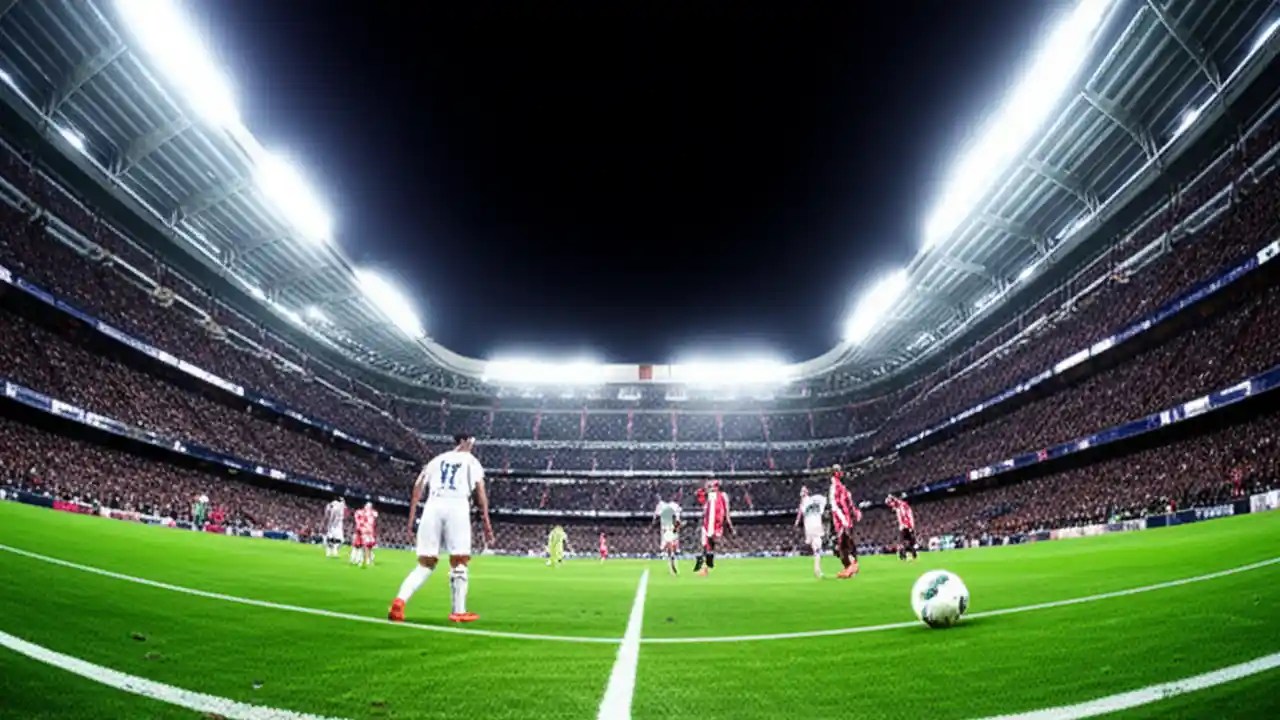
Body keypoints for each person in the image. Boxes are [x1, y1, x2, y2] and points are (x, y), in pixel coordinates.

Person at [389, 433, 494, 623]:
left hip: (432, 506)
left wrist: (411, 518)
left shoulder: (436, 460)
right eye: (470, 441)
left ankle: (399, 602)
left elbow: (417, 487)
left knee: (425, 563)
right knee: (460, 560)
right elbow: (480, 492)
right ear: (463, 441)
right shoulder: (471, 461)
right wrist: (487, 523)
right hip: (457, 505)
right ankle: (458, 611)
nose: (472, 445)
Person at [694, 479, 733, 576]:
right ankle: (705, 566)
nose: (711, 488)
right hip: (708, 524)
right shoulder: (710, 497)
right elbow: (700, 497)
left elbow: (726, 512)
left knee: (708, 545)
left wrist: (729, 524)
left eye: (712, 486)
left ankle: (705, 567)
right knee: (707, 546)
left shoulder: (720, 496)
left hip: (714, 524)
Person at [830, 466, 862, 578]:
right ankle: (852, 566)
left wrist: (845, 518)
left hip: (842, 520)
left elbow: (835, 505)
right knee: (847, 542)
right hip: (845, 519)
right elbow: (847, 503)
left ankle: (849, 567)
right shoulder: (841, 488)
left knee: (844, 544)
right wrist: (854, 513)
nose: (841, 473)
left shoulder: (837, 487)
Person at [795, 486, 827, 578]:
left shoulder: (809, 501)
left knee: (816, 547)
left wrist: (797, 522)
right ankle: (817, 568)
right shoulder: (814, 500)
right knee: (817, 548)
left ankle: (817, 569)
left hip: (812, 528)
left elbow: (800, 513)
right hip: (813, 528)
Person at [653, 495, 682, 575]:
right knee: (670, 545)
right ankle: (671, 558)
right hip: (670, 527)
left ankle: (670, 557)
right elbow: (677, 520)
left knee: (668, 545)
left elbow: (656, 518)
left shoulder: (662, 505)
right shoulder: (673, 506)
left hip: (667, 527)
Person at [885, 493, 918, 561]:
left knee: (905, 542)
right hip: (907, 526)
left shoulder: (902, 505)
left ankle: (905, 555)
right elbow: (892, 504)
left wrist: (891, 497)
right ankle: (909, 555)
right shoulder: (903, 507)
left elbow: (896, 502)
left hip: (906, 526)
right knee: (908, 541)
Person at [351, 502, 378, 568]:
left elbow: (373, 520)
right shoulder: (360, 512)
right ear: (364, 506)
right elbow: (358, 521)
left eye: (370, 506)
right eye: (367, 506)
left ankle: (366, 559)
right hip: (362, 530)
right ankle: (356, 559)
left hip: (369, 531)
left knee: (369, 546)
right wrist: (359, 528)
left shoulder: (373, 513)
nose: (368, 507)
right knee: (358, 545)